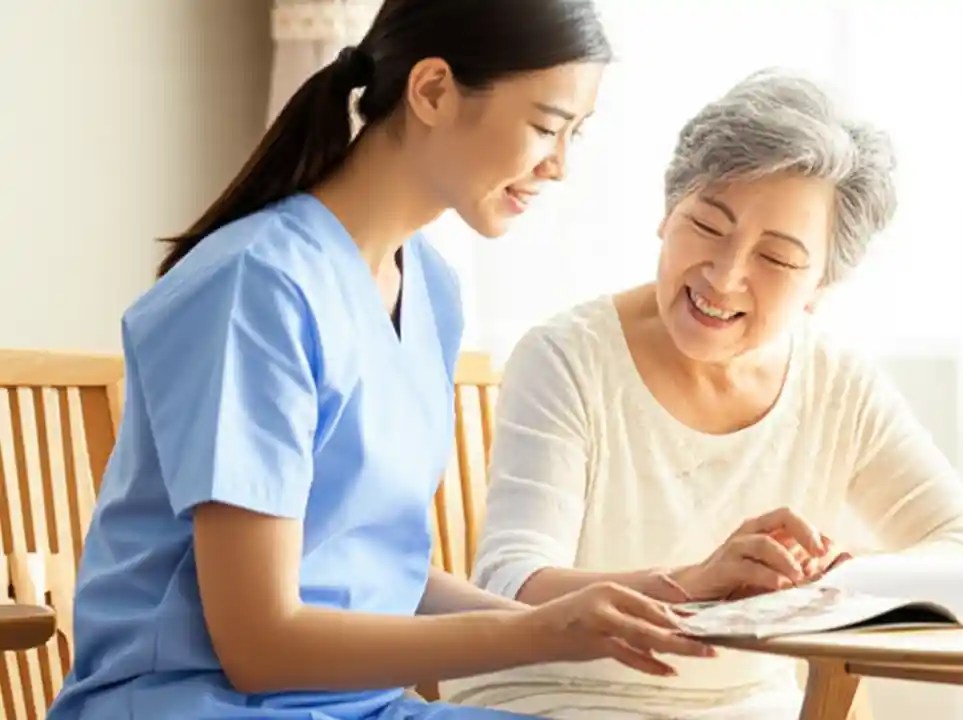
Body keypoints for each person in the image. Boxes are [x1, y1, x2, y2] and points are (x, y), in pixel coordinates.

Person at [46, 2, 718, 719]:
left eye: (574, 135)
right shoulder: (256, 286)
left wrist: (601, 619)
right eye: (547, 127)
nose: (558, 166)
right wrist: (537, 630)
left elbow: (372, 569)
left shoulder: (429, 287)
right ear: (431, 90)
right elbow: (258, 644)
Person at [441, 70, 963, 718]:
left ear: (821, 287)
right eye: (708, 225)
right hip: (551, 701)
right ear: (666, 214)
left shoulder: (838, 384)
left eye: (777, 259)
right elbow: (513, 584)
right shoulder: (567, 357)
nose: (725, 275)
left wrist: (841, 581)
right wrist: (691, 584)